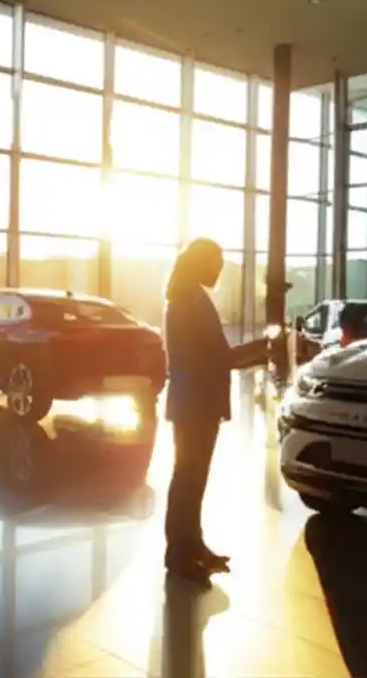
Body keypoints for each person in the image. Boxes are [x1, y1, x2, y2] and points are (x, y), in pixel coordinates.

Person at [162, 237, 233, 584]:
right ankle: (179, 554)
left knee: (191, 479)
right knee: (189, 479)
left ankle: (191, 545)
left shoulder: (187, 296)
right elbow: (213, 356)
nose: (220, 268)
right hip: (196, 403)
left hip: (193, 401)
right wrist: (261, 350)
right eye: (217, 261)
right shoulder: (190, 300)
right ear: (203, 262)